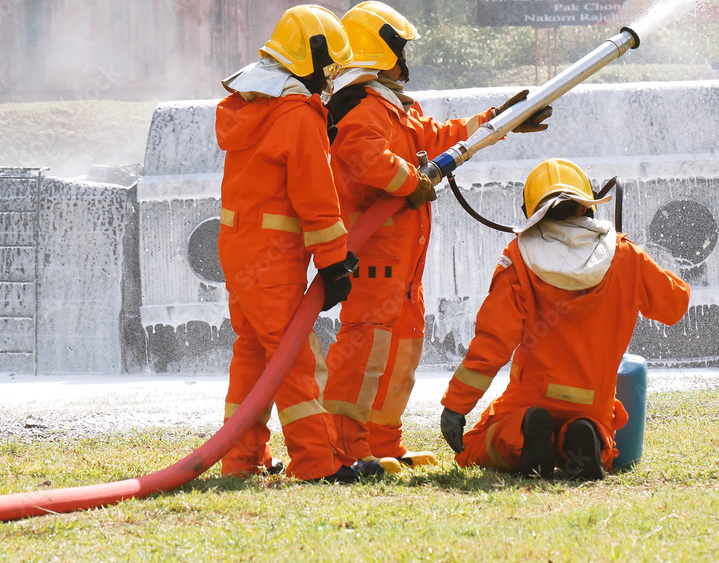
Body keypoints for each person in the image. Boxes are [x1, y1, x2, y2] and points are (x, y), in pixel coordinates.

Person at [321, 1, 552, 472]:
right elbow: (361, 156)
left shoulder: (397, 110)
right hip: (373, 264)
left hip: (404, 269)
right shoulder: (363, 109)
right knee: (365, 356)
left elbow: (443, 137)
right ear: (381, 51)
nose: (407, 56)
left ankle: (384, 443)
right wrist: (411, 180)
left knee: (400, 358)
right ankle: (346, 450)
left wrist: (498, 120)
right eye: (401, 47)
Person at [438, 158, 691, 480]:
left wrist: (456, 404)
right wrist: (641, 268)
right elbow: (674, 306)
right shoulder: (626, 255)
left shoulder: (518, 256)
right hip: (592, 400)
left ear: (531, 210)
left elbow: (493, 341)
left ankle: (527, 431)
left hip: (530, 397)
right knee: (599, 435)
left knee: (478, 446)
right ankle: (584, 433)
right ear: (588, 205)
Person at [215, 5, 378, 482]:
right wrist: (333, 265)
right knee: (292, 356)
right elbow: (315, 197)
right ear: (313, 63)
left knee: (254, 351)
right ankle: (317, 463)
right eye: (329, 74)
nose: (328, 86)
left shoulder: (247, 105)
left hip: (240, 251)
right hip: (273, 260)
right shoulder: (298, 115)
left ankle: (241, 460)